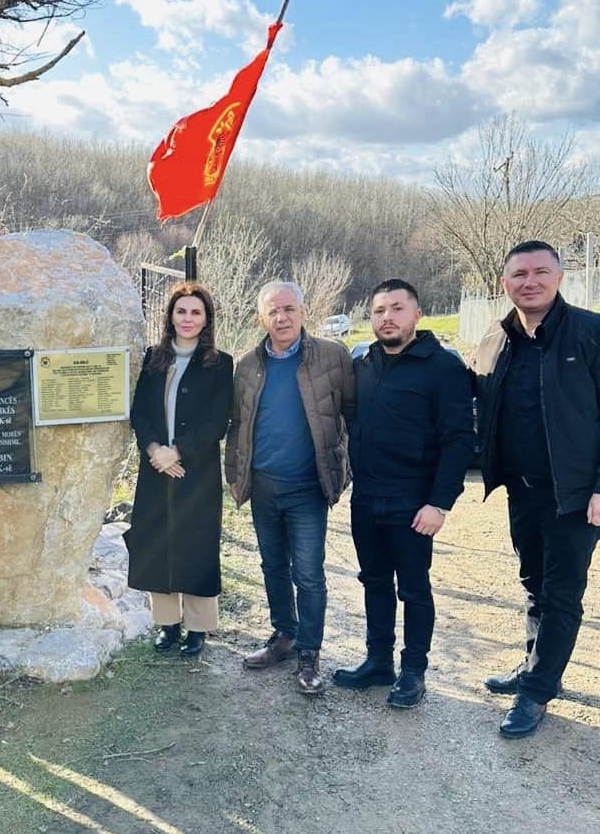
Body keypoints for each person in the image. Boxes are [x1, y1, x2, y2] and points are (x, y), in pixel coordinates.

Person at [474, 240, 600, 738]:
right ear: (504, 282)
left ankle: (537, 691)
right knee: (532, 583)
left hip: (574, 495)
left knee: (561, 594)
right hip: (522, 490)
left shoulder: (590, 332)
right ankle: (536, 666)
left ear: (559, 277)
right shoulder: (496, 338)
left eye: (540, 272)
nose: (530, 282)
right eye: (520, 274)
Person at [333, 280, 474, 708]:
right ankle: (378, 661)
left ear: (417, 314)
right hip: (366, 497)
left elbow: (459, 440)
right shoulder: (362, 364)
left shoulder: (442, 367)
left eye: (397, 308)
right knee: (374, 581)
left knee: (413, 588)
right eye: (379, 311)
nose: (387, 317)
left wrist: (440, 503)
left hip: (413, 502)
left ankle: (413, 671)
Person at [225, 281, 354, 695]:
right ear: (261, 318)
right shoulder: (248, 365)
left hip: (307, 487)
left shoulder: (332, 356)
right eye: (273, 311)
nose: (281, 318)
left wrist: (342, 468)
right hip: (263, 485)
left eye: (288, 309)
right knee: (273, 567)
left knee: (309, 574)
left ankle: (309, 654)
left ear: (303, 312)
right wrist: (236, 475)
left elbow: (351, 414)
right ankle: (284, 635)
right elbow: (237, 424)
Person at [125, 283, 233, 657]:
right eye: (181, 311)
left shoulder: (221, 363)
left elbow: (217, 421)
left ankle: (198, 628)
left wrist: (178, 453)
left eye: (195, 312)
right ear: (170, 316)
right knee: (157, 543)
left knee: (197, 545)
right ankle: (167, 625)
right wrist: (155, 450)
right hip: (155, 468)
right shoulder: (153, 358)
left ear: (206, 319)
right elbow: (139, 412)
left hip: (196, 471)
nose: (188, 318)